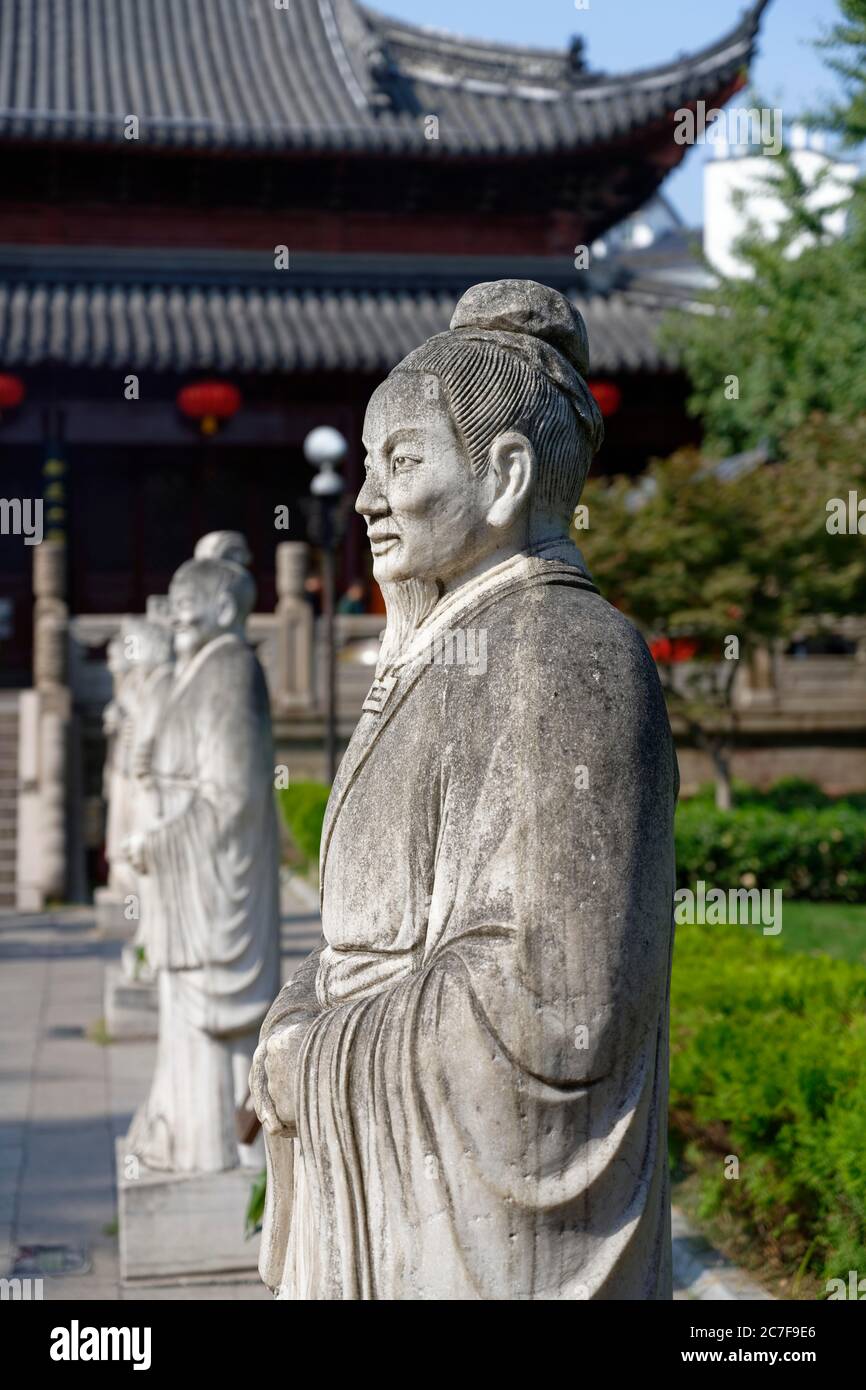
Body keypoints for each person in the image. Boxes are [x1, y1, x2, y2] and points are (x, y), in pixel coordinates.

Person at [252, 279, 678, 1299]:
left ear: (503, 472)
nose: (364, 500)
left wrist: (313, 1058)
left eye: (400, 462)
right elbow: (375, 941)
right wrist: (305, 1001)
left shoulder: (566, 652)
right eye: (364, 466)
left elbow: (552, 1007)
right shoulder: (448, 657)